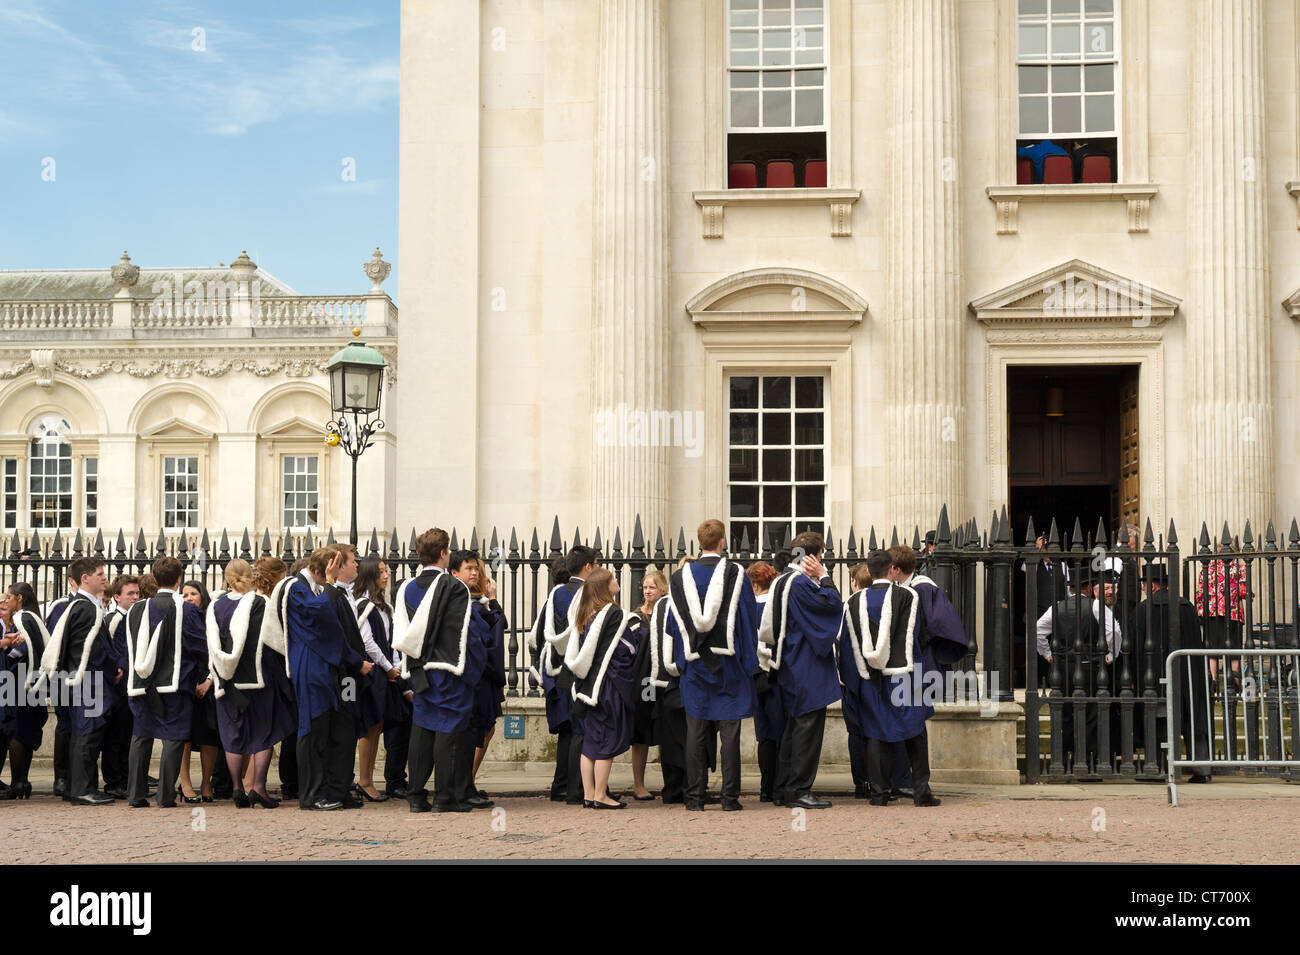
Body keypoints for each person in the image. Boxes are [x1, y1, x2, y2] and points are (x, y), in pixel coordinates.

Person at [662, 519, 759, 812]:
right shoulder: (736, 573)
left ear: (699, 542)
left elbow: (672, 624)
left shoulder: (680, 578)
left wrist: (683, 655)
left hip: (695, 663)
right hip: (728, 662)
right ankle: (730, 798)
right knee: (730, 732)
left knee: (696, 729)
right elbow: (747, 617)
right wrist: (747, 660)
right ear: (722, 542)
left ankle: (695, 798)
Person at [392, 528, 487, 813]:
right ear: (444, 553)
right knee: (449, 732)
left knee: (422, 730)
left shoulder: (406, 586)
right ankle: (444, 797)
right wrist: (473, 669)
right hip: (448, 669)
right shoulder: (454, 586)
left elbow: (402, 628)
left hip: (418, 669)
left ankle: (417, 795)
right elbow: (464, 633)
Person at [846, 550, 944, 807]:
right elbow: (916, 635)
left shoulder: (854, 602)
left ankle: (879, 793)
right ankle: (921, 792)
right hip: (905, 675)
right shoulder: (907, 596)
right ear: (891, 570)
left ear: (868, 571)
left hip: (870, 677)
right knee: (915, 732)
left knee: (877, 734)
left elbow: (846, 644)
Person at [281, 548, 373, 811]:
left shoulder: (315, 589)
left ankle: (330, 790)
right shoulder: (297, 588)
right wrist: (331, 583)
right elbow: (318, 615)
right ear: (326, 568)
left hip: (326, 669)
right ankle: (310, 795)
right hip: (311, 669)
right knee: (311, 732)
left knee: (327, 732)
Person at [757, 532, 843, 810]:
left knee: (792, 731)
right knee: (807, 730)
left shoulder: (782, 579)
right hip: (804, 664)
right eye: (821, 555)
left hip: (788, 663)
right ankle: (799, 789)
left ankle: (784, 788)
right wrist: (826, 575)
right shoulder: (799, 583)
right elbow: (831, 605)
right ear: (813, 556)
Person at [207, 558, 296, 808]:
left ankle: (237, 788)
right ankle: (258, 787)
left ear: (226, 577)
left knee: (233, 733)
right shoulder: (260, 602)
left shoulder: (216, 605)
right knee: (263, 733)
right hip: (258, 677)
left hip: (227, 679)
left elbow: (211, 645)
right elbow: (276, 641)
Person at [123, 557, 209, 809]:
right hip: (176, 683)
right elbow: (198, 646)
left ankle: (136, 794)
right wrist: (200, 675)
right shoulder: (187, 610)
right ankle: (165, 795)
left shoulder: (136, 609)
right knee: (173, 737)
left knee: (141, 736)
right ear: (179, 578)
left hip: (140, 682)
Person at [38, 557, 117, 805]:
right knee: (88, 733)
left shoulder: (80, 604)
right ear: (85, 578)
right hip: (88, 680)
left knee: (81, 733)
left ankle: (78, 786)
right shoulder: (85, 607)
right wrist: (113, 668)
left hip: (81, 680)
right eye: (100, 574)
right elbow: (89, 650)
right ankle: (82, 789)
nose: (104, 577)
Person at [565, 568, 644, 809]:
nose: (617, 581)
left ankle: (589, 794)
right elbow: (624, 650)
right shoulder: (613, 615)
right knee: (606, 740)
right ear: (604, 586)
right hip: (608, 686)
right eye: (613, 579)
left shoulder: (588, 613)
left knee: (590, 741)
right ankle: (600, 794)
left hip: (588, 686)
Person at [1034, 563, 1121, 773]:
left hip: (1062, 667)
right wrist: (1110, 655)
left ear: (1069, 588)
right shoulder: (1095, 606)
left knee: (1064, 712)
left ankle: (1062, 760)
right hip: (1089, 666)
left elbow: (1037, 631)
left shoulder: (1057, 607)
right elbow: (1115, 632)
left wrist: (1047, 655)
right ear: (1089, 588)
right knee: (1090, 713)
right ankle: (1088, 760)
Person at [528, 545, 596, 804]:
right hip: (579, 670)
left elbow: (535, 638)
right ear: (588, 566)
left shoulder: (555, 593)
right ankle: (577, 789)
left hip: (556, 672)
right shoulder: (588, 593)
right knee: (581, 729)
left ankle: (561, 786)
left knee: (568, 731)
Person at [1137, 563, 1211, 783]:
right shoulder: (1186, 606)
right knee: (1193, 718)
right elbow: (1198, 641)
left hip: (1156, 673)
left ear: (1151, 585)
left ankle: (1160, 767)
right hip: (1188, 672)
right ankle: (1202, 769)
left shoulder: (1143, 609)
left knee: (1160, 721)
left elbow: (1137, 647)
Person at [453, 551, 506, 803]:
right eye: (469, 568)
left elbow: (499, 625)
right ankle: (464, 783)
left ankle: (468, 782)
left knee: (486, 727)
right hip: (476, 674)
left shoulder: (480, 602)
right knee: (476, 729)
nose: (475, 573)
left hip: (485, 676)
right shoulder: (464, 602)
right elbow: (493, 631)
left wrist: (492, 599)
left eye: (477, 569)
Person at [353, 556, 406, 801]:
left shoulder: (384, 606)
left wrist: (394, 666)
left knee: (378, 725)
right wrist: (387, 667)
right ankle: (364, 780)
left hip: (384, 672)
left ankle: (368, 780)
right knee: (369, 726)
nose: (386, 576)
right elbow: (368, 643)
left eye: (386, 571)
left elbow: (390, 641)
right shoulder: (365, 605)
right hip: (372, 673)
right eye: (381, 572)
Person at [0, 583, 49, 799]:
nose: (7, 602)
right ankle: (23, 781)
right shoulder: (34, 617)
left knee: (18, 731)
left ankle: (17, 782)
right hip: (33, 682)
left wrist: (7, 653)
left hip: (20, 681)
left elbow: (20, 651)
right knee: (26, 731)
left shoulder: (22, 618)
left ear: (18, 598)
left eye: (9, 598)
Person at [178, 579, 220, 803]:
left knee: (208, 735)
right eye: (184, 595)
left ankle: (206, 783)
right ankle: (184, 784)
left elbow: (217, 652)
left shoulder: (211, 619)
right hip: (184, 683)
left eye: (193, 593)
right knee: (183, 735)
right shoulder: (177, 618)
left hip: (208, 680)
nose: (189, 598)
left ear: (202, 596)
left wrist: (209, 681)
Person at [98, 574, 139, 799]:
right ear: (117, 597)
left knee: (127, 735)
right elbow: (112, 650)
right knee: (115, 736)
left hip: (131, 686)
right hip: (117, 687)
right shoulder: (115, 618)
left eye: (136, 593)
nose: (134, 597)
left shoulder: (134, 617)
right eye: (129, 594)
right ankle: (114, 782)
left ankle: (125, 779)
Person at [629, 570, 669, 801]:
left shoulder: (667, 612)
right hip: (643, 680)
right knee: (641, 733)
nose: (647, 591)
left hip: (665, 677)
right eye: (645, 587)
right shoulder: (636, 617)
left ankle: (670, 781)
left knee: (665, 730)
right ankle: (638, 784)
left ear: (662, 589)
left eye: (652, 587)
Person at [746, 559, 784, 802]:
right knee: (780, 730)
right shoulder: (778, 605)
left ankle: (766, 787)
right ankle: (779, 786)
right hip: (777, 671)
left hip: (757, 673)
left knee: (765, 733)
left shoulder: (750, 608)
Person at [836, 563, 873, 799]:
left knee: (856, 733)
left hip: (852, 679)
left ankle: (862, 783)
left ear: (853, 583)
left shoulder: (847, 606)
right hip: (877, 678)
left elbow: (838, 643)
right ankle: (879, 781)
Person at [42, 568, 80, 799]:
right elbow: (57, 642)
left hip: (84, 675)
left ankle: (76, 776)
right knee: (65, 725)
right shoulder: (61, 606)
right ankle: (62, 777)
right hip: (64, 675)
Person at [1193, 555, 1249, 691]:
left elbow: (1200, 592)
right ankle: (1235, 681)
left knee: (1212, 648)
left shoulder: (1207, 569)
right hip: (1233, 613)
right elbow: (1243, 591)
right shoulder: (1238, 567)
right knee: (1234, 648)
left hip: (1212, 612)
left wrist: (1200, 609)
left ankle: (1213, 681)